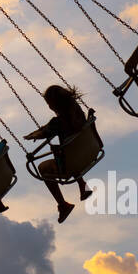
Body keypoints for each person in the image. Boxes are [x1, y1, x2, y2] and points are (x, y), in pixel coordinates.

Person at [24, 84, 95, 223]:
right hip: (89, 150)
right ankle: (82, 185)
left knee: (43, 168)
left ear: (53, 105)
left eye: (49, 104)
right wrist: (39, 131)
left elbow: (45, 132)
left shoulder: (58, 122)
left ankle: (63, 204)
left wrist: (33, 136)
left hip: (71, 162)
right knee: (68, 151)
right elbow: (49, 128)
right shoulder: (77, 111)